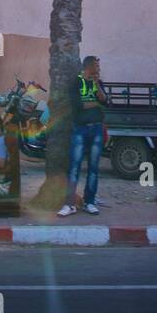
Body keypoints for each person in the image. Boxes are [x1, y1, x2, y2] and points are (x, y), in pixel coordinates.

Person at [58, 54, 107, 217]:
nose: (99, 69)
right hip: (80, 129)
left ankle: (90, 202)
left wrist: (96, 86)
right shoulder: (76, 83)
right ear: (88, 66)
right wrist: (96, 103)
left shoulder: (97, 83)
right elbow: (79, 106)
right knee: (74, 167)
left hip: (97, 129)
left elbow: (105, 100)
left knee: (94, 168)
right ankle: (69, 204)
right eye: (96, 66)